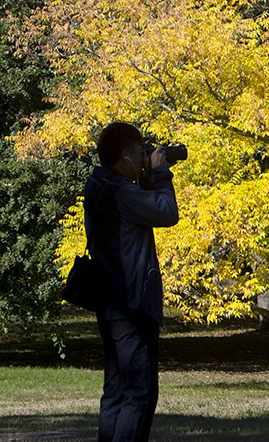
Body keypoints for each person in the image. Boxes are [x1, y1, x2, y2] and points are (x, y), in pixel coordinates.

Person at [84, 122, 179, 442]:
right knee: (139, 394)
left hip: (109, 301)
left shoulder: (98, 186)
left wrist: (147, 176)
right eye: (140, 152)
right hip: (132, 303)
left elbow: (138, 211)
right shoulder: (122, 192)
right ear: (124, 154)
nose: (144, 158)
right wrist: (161, 173)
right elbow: (166, 212)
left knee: (115, 392)